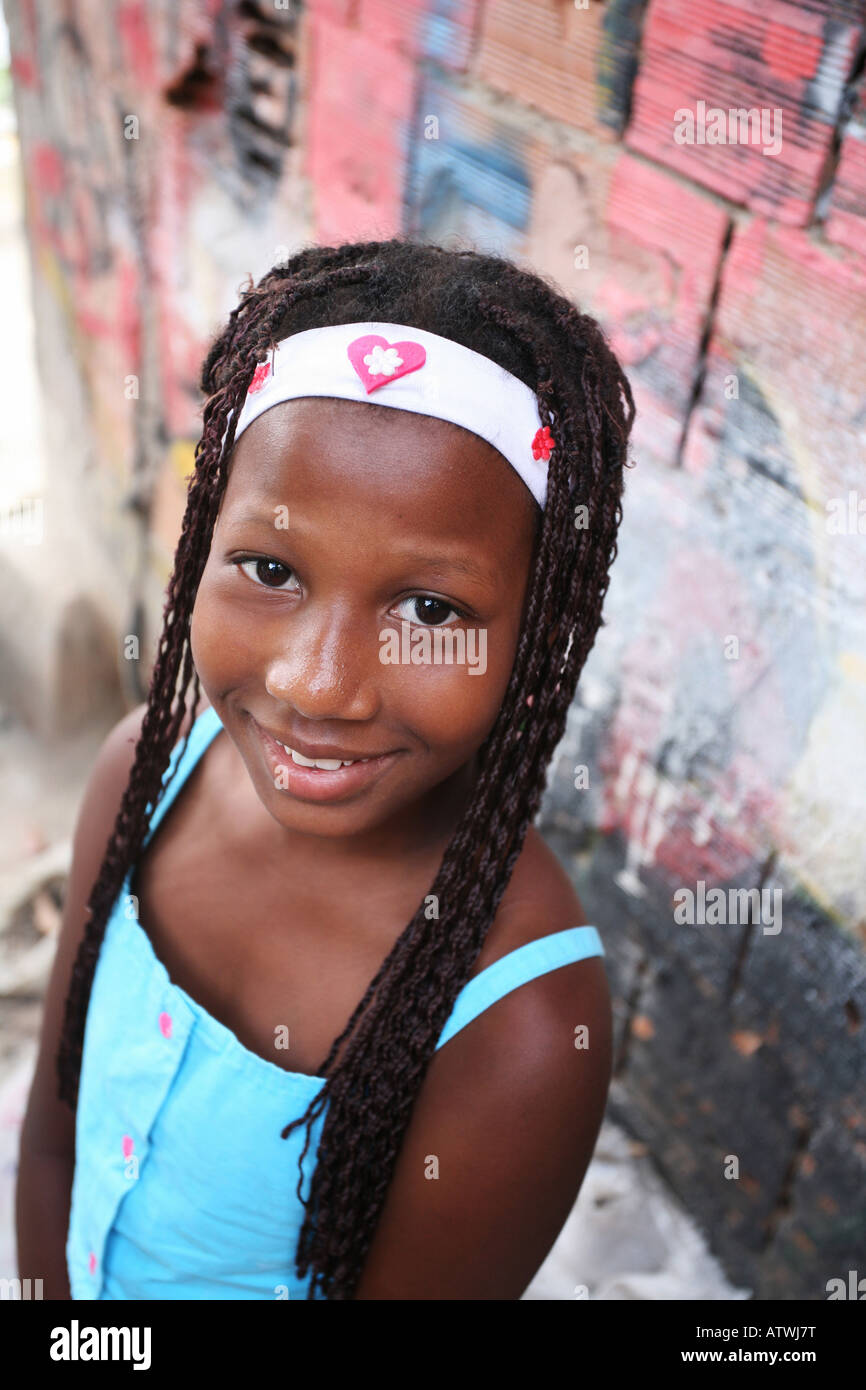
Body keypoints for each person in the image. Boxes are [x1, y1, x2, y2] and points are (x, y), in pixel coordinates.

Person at [16, 238, 636, 1301]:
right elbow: (53, 1144)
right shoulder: (141, 778)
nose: (318, 685)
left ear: (537, 636)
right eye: (270, 568)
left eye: (428, 610)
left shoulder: (521, 1026)